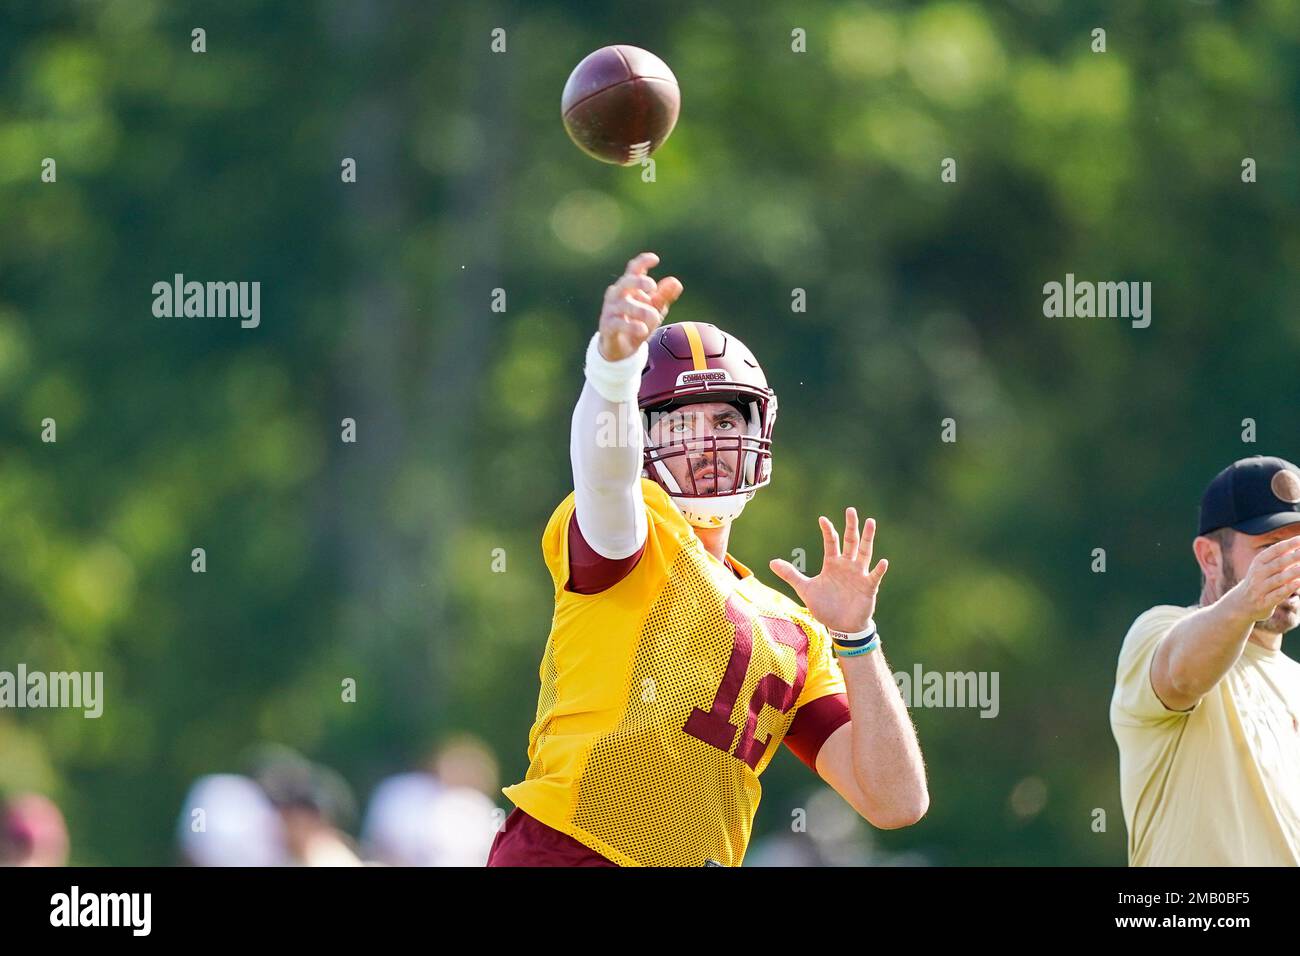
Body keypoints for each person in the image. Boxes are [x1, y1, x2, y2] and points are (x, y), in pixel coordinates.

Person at [488, 252, 928, 867]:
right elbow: (605, 478)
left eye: (723, 419)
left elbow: (896, 802)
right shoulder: (639, 530)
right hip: (573, 850)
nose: (708, 445)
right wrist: (612, 370)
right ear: (641, 436)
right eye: (679, 425)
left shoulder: (796, 630)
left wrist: (857, 638)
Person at [1111, 455, 1300, 865]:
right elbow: (1181, 675)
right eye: (1270, 548)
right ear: (1210, 557)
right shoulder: (1159, 630)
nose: (1289, 567)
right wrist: (1249, 600)